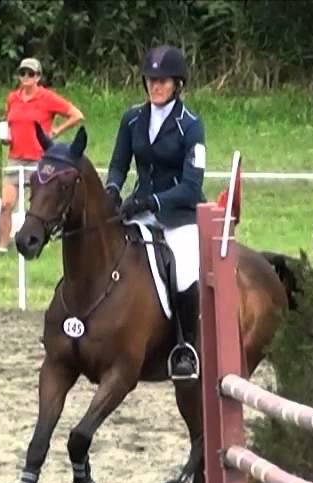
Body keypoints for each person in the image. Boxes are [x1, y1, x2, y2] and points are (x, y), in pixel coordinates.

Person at [104, 45, 206, 381]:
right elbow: (119, 164)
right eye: (150, 80)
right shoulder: (132, 118)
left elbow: (192, 185)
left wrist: (154, 202)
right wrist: (113, 189)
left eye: (162, 81)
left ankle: (186, 349)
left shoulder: (191, 126)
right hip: (138, 209)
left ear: (177, 84)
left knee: (184, 271)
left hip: (179, 215)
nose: (154, 87)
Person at [0, 57, 84, 252]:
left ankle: (36, 241)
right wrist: (7, 137)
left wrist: (55, 132)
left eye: (31, 74)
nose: (26, 77)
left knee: (41, 206)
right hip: (16, 157)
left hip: (39, 159)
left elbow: (77, 115)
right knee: (6, 203)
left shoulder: (47, 98)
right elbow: (9, 121)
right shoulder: (13, 98)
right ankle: (2, 247)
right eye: (23, 73)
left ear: (38, 77)